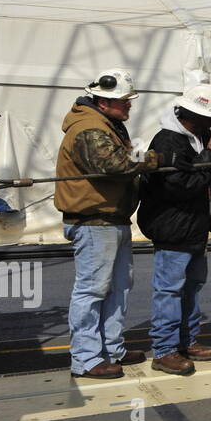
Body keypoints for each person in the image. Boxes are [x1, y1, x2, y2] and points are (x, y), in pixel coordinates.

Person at [54, 69, 159, 379]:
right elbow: (112, 164)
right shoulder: (89, 127)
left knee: (117, 288)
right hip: (93, 221)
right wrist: (156, 159)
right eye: (124, 101)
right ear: (103, 100)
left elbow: (121, 156)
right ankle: (86, 359)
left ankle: (111, 349)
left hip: (111, 219)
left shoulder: (106, 125)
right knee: (92, 290)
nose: (129, 106)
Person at [138, 84, 211, 376]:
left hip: (196, 227)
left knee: (192, 286)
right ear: (192, 114)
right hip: (173, 227)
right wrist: (210, 157)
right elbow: (181, 187)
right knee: (169, 290)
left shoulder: (202, 138)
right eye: (209, 117)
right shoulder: (166, 142)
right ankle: (164, 350)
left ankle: (186, 342)